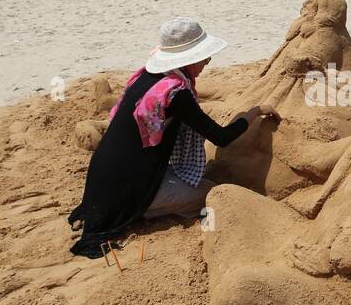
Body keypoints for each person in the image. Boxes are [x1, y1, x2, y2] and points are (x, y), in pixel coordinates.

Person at [68, 17, 276, 257]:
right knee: (213, 193)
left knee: (198, 186)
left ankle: (136, 203)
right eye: (205, 57)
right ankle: (141, 209)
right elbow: (221, 137)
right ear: (189, 59)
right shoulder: (176, 94)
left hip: (103, 179)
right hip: (131, 187)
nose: (207, 62)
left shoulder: (148, 76)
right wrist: (253, 112)